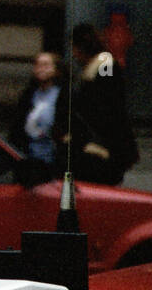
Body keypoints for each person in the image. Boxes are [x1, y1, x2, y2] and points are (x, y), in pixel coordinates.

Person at [54, 23, 138, 185]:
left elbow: (108, 109)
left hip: (102, 146)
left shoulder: (105, 66)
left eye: (74, 47)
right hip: (88, 143)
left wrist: (101, 144)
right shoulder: (92, 68)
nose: (73, 53)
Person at [11, 51, 62, 165]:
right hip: (29, 155)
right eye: (38, 65)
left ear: (56, 69)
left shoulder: (62, 95)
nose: (41, 69)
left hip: (52, 157)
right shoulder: (28, 95)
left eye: (46, 65)